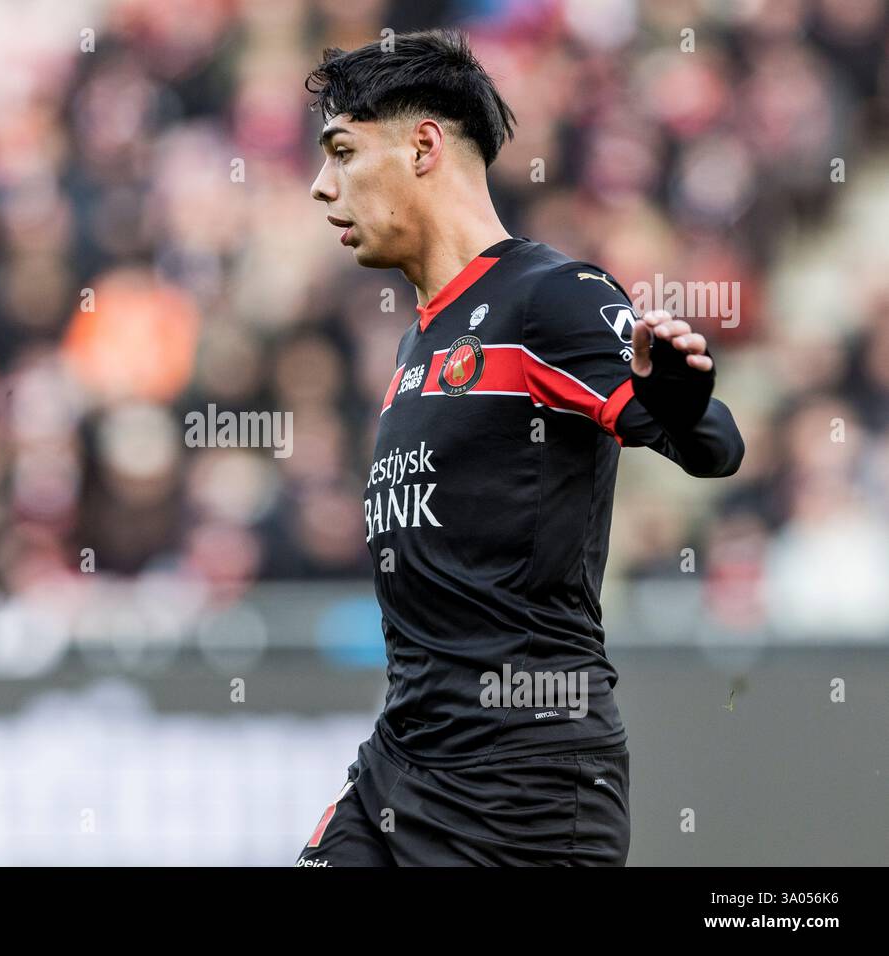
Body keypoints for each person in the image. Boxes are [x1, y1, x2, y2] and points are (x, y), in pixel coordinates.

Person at [296, 29, 744, 866]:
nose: (323, 187)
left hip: (522, 790)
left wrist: (678, 397)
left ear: (424, 146)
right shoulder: (419, 340)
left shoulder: (550, 298)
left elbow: (713, 445)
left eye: (343, 152)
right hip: (403, 763)